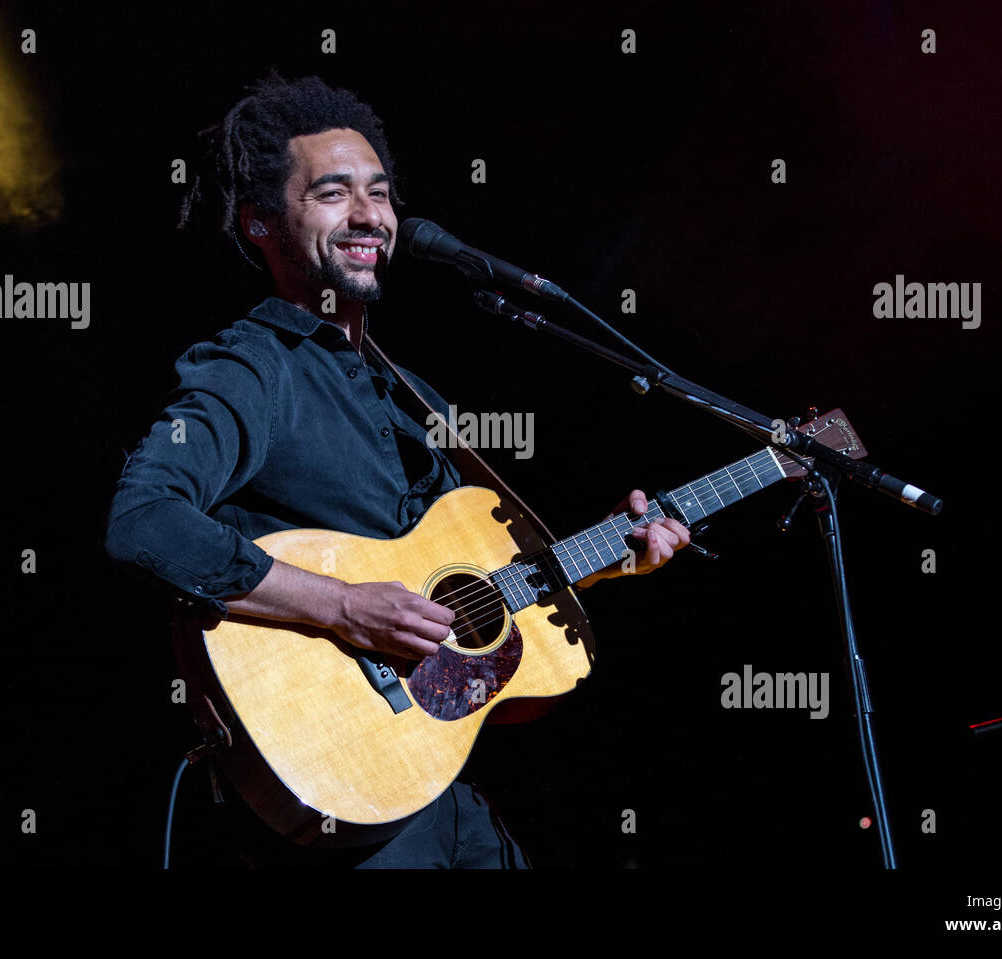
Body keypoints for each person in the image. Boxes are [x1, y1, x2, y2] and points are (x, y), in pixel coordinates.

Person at [104, 71, 690, 868]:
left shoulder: (412, 395)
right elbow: (143, 520)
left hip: (426, 776)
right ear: (262, 223)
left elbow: (478, 589)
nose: (369, 214)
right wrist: (343, 605)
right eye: (333, 193)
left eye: (379, 193)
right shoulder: (251, 368)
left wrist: (609, 561)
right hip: (330, 780)